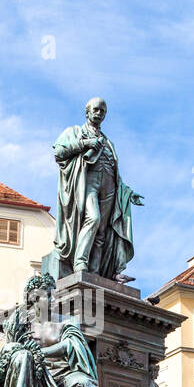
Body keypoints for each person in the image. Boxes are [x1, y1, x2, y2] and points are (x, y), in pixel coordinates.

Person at [53, 98, 143, 280]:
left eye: (103, 111)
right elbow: (59, 152)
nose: (99, 113)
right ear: (87, 112)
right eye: (96, 109)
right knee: (92, 218)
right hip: (88, 182)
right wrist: (84, 144)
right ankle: (80, 262)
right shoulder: (75, 132)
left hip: (109, 185)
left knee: (102, 231)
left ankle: (94, 272)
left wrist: (128, 193)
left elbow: (116, 173)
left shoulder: (109, 143)